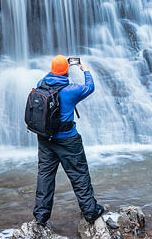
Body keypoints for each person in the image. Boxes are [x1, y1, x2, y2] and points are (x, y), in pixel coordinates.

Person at [33, 54, 104, 227]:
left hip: (45, 139)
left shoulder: (41, 84)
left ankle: (41, 217)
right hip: (68, 140)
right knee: (79, 175)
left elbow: (50, 77)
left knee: (45, 176)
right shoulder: (72, 90)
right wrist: (85, 69)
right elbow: (90, 87)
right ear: (66, 72)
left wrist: (59, 68)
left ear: (52, 70)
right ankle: (90, 211)